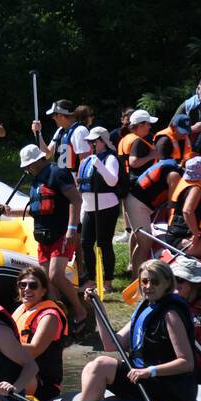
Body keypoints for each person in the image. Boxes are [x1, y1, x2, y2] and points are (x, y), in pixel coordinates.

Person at [76, 259, 197, 401]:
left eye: (155, 282)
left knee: (101, 366)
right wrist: (98, 307)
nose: (148, 286)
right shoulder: (147, 308)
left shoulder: (171, 315)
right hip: (144, 378)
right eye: (144, 281)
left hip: (172, 388)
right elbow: (111, 344)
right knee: (91, 367)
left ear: (167, 283)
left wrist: (149, 371)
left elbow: (186, 363)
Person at [1, 145, 87, 333]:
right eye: (27, 165)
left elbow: (76, 200)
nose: (29, 168)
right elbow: (37, 209)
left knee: (56, 275)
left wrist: (72, 229)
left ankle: (81, 311)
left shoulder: (58, 173)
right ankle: (59, 315)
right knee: (47, 281)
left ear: (41, 159)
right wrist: (9, 212)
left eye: (31, 164)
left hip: (61, 234)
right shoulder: (36, 181)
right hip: (43, 237)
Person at [10, 265, 68, 401]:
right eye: (22, 285)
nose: (27, 289)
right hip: (17, 372)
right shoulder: (21, 310)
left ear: (43, 291)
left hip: (42, 383)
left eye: (33, 286)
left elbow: (34, 350)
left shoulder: (50, 316)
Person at [125, 139, 183, 277]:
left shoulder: (161, 165)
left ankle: (132, 266)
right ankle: (136, 278)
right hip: (138, 203)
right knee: (145, 242)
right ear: (175, 152)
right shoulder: (173, 173)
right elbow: (171, 202)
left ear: (157, 152)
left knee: (137, 234)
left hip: (134, 199)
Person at [77, 126, 121, 294]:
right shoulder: (87, 160)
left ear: (103, 141)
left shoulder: (110, 158)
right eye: (90, 141)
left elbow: (112, 181)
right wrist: (82, 210)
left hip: (107, 207)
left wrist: (100, 166)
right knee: (86, 244)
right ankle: (91, 280)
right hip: (89, 207)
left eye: (94, 140)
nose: (91, 143)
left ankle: (108, 281)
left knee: (104, 244)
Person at [163, 156, 201, 258]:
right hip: (180, 238)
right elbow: (187, 211)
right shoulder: (195, 189)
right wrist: (196, 234)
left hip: (179, 235)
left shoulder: (188, 183)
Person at [115, 108, 158, 243]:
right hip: (138, 186)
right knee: (142, 230)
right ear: (140, 125)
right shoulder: (138, 141)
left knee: (135, 228)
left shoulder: (125, 138)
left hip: (127, 183)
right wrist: (152, 155)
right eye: (148, 124)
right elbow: (134, 162)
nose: (150, 127)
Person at [32, 99, 89, 176]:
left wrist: (79, 182)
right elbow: (47, 154)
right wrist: (38, 133)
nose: (53, 118)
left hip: (73, 181)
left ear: (61, 116)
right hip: (61, 179)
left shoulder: (80, 131)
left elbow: (85, 160)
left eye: (53, 115)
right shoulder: (60, 131)